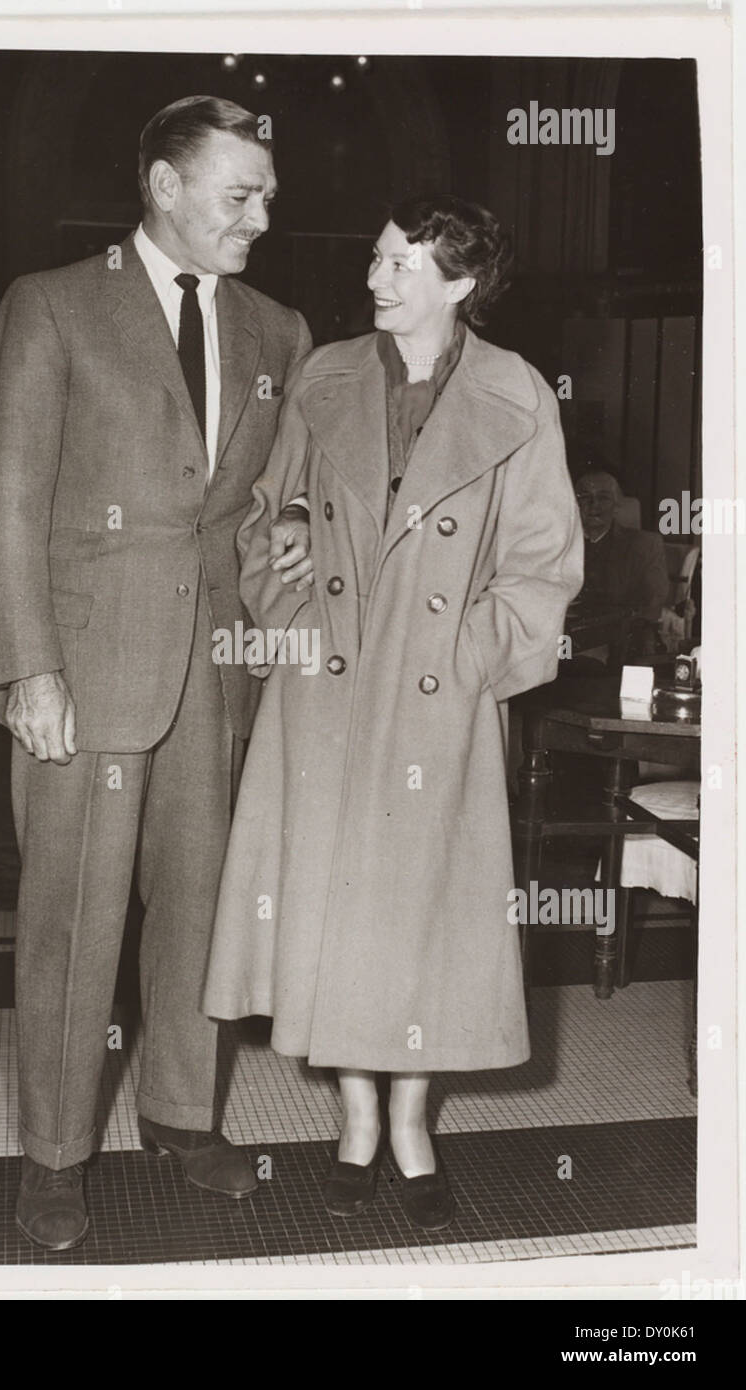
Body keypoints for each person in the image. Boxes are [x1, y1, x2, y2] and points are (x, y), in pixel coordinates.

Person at [0, 96, 313, 1251]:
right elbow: (2, 502)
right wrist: (27, 668)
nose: (260, 216)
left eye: (265, 196)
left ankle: (180, 1111)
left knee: (201, 916)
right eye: (239, 194)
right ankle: (56, 1153)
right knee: (72, 923)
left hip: (216, 675)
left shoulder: (278, 329)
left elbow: (271, 511)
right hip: (86, 671)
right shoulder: (55, 304)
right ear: (164, 185)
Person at [203, 194, 583, 1229]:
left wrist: (463, 660)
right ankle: (357, 1121)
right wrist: (284, 541)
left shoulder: (515, 396)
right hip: (325, 687)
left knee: (420, 916)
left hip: (434, 701)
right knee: (335, 910)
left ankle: (411, 1121)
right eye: (376, 256)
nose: (376, 278)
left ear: (459, 285)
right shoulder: (325, 376)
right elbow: (269, 509)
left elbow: (544, 566)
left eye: (402, 264)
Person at [573, 463, 670, 660]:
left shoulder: (644, 546)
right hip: (564, 645)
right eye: (585, 498)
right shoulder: (555, 544)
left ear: (617, 506)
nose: (594, 505)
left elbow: (652, 605)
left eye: (603, 497)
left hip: (616, 647)